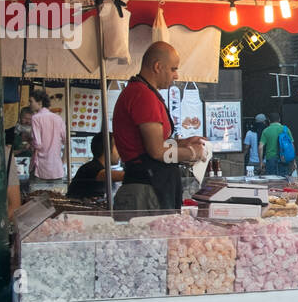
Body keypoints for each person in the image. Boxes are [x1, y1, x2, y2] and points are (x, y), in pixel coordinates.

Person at [112, 41, 208, 211]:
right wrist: (193, 153)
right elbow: (156, 151)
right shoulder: (142, 95)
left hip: (149, 184)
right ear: (157, 67)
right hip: (146, 188)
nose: (176, 75)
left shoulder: (143, 92)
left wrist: (183, 143)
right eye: (173, 69)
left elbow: (153, 144)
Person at [28, 89, 67, 191]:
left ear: (40, 103)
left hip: (41, 168)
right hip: (57, 168)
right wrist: (63, 159)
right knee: (57, 201)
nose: (30, 104)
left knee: (37, 202)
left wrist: (30, 143)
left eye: (31, 101)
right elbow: (66, 140)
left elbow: (38, 144)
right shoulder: (58, 118)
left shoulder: (36, 118)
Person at [65, 134, 125, 201]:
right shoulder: (90, 168)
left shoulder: (95, 166)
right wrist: (135, 173)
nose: (120, 151)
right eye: (117, 147)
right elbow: (111, 175)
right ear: (107, 149)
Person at [259, 112, 293, 177]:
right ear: (279, 119)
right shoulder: (285, 129)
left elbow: (260, 147)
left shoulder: (266, 131)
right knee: (283, 181)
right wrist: (293, 162)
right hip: (284, 159)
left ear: (269, 120)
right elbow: (291, 146)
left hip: (271, 159)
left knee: (271, 182)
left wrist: (261, 162)